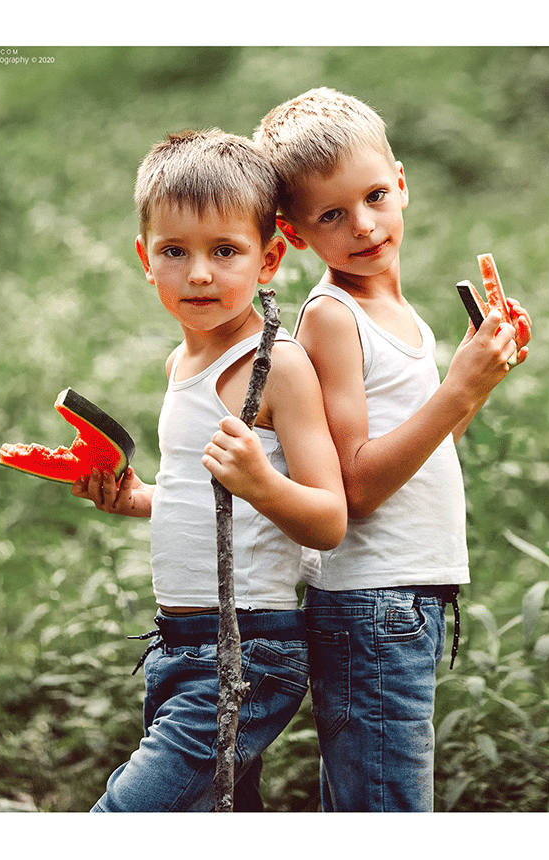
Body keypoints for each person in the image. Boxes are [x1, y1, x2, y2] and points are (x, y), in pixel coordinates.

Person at [254, 87, 532, 812]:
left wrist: (477, 379)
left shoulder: (399, 314)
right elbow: (358, 488)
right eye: (332, 215)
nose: (365, 225)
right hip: (371, 602)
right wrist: (454, 389)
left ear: (402, 181)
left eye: (376, 195)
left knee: (373, 803)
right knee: (388, 812)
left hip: (402, 597)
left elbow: (421, 456)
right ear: (295, 232)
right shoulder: (332, 318)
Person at [72, 128, 347, 812]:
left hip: (247, 652)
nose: (199, 273)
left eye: (225, 250)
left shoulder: (274, 365)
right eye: (175, 251)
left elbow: (328, 518)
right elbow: (202, 499)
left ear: (269, 258)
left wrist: (263, 482)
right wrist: (136, 498)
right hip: (177, 645)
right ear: (146, 259)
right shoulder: (181, 363)